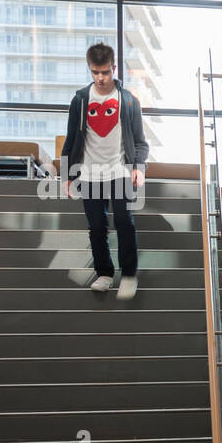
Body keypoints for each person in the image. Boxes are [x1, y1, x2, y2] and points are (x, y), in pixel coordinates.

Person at [61, 42, 149, 301]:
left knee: (124, 223)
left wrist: (139, 168)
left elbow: (141, 141)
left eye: (105, 72)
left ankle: (129, 274)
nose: (100, 78)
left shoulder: (129, 101)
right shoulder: (80, 100)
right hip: (89, 174)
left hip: (120, 171)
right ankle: (105, 274)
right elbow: (71, 140)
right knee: (97, 226)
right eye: (94, 73)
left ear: (114, 68)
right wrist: (67, 175)